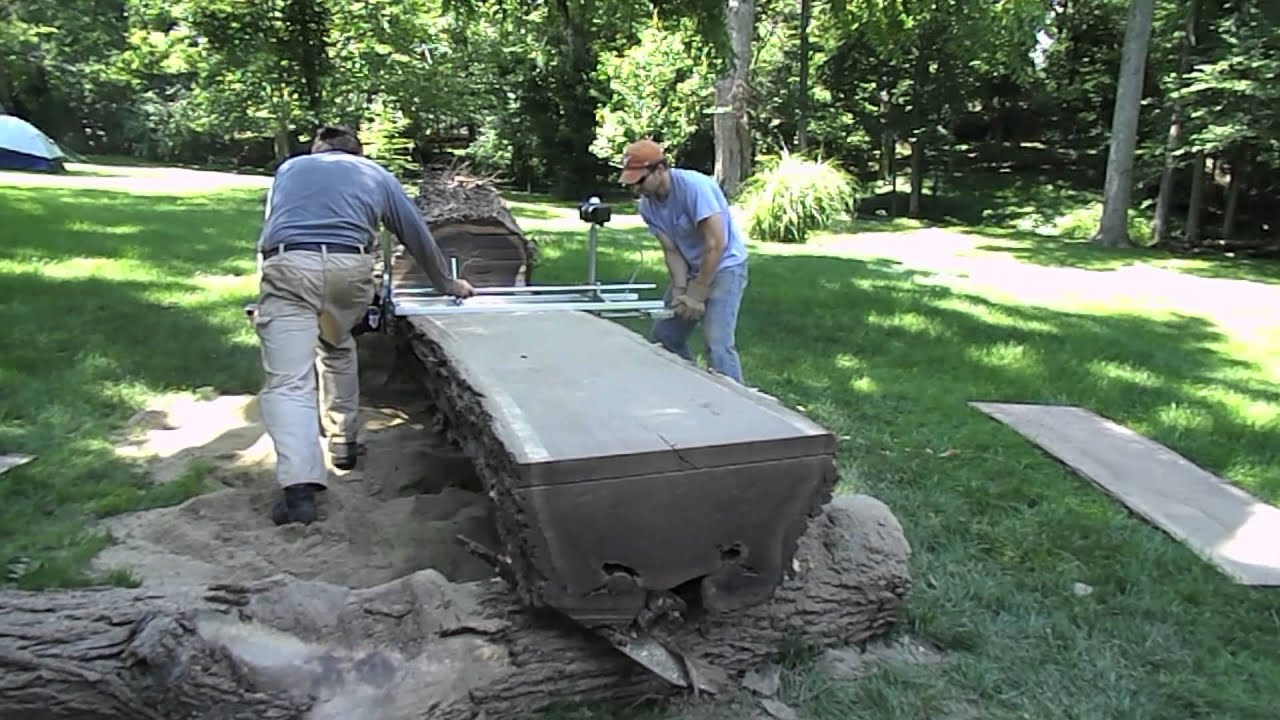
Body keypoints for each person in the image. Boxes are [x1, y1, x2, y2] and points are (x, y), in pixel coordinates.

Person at [253, 125, 473, 526]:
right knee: (336, 346)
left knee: (289, 382)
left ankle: (299, 491)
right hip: (350, 268)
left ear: (319, 148)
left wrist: (266, 287)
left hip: (287, 264)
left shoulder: (289, 169)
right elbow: (414, 233)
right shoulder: (374, 173)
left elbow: (269, 230)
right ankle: (343, 445)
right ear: (356, 151)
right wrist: (448, 283)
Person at [618, 138, 749, 384]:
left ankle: (737, 405)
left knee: (717, 344)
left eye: (640, 181)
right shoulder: (648, 207)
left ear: (660, 169)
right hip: (691, 268)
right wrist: (681, 290)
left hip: (725, 266)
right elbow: (672, 250)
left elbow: (716, 243)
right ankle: (691, 387)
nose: (637, 189)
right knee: (665, 336)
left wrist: (698, 292)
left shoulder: (694, 187)